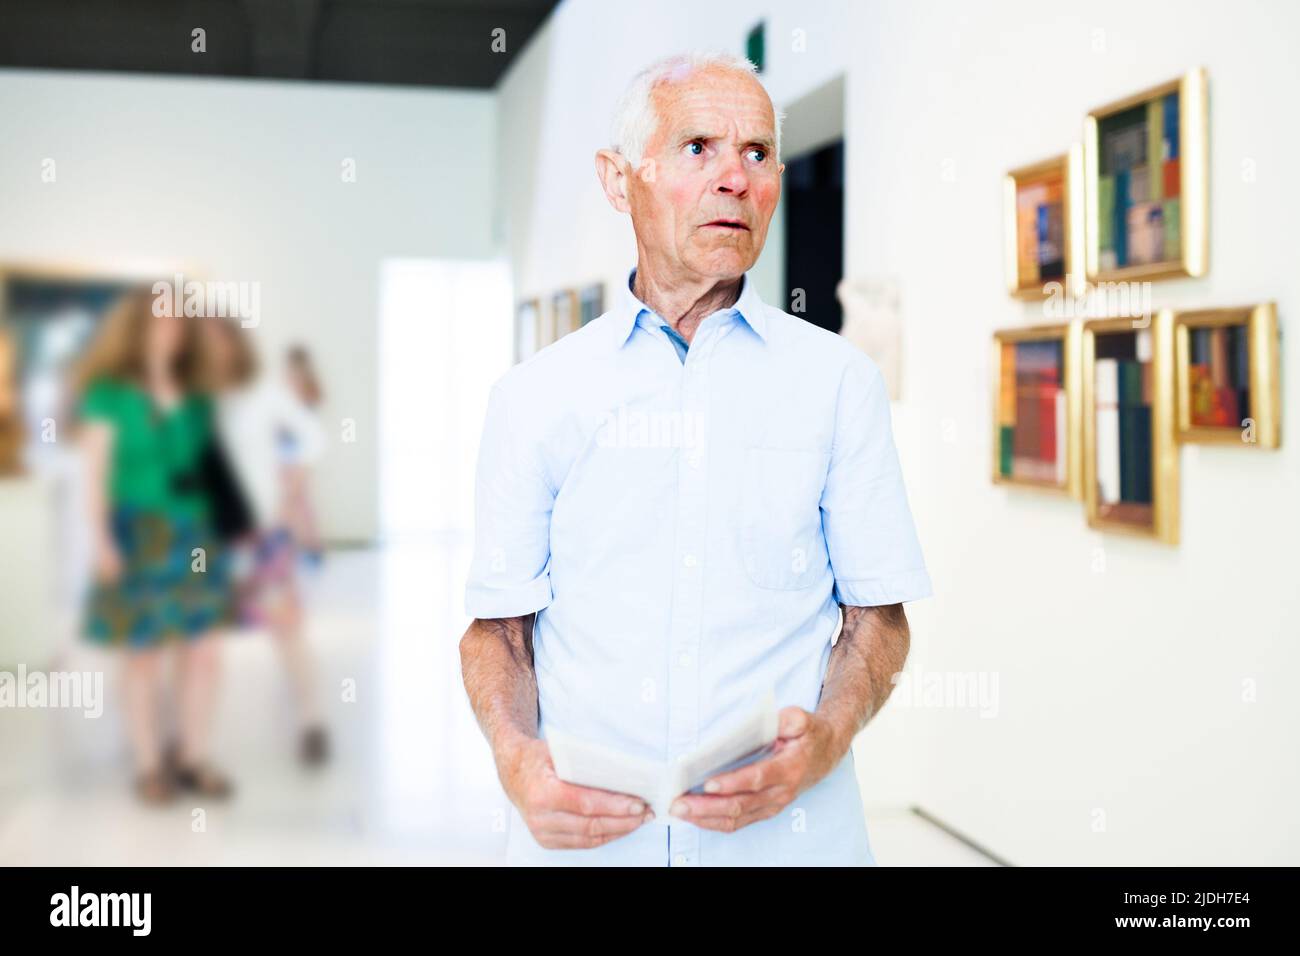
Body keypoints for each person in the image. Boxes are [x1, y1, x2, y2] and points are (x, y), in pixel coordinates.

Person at [460, 52, 932, 866]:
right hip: (591, 840)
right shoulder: (534, 396)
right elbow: (498, 632)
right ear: (619, 181)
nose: (735, 179)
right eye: (698, 148)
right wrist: (515, 760)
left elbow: (878, 618)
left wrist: (826, 739)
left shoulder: (839, 383)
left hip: (788, 841)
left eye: (757, 154)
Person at [74, 288, 234, 804]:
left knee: (204, 652)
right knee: (142, 655)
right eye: (160, 321)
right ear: (138, 327)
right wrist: (100, 541)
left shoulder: (197, 395)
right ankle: (148, 765)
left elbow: (207, 471)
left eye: (177, 323)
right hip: (136, 533)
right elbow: (94, 475)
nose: (170, 330)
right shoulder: (109, 392)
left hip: (195, 534)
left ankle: (192, 756)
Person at [197, 319, 329, 766]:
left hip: (263, 537)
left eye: (221, 344)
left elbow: (313, 436)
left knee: (288, 632)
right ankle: (194, 747)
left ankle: (312, 723)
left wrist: (292, 486)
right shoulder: (192, 403)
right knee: (200, 645)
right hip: (207, 542)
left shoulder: (264, 396)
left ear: (237, 348)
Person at [281, 345, 324, 566]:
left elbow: (299, 420)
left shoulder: (303, 387)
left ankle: (310, 548)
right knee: (296, 500)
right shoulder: (302, 386)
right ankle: (305, 548)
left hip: (299, 452)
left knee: (295, 500)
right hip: (290, 450)